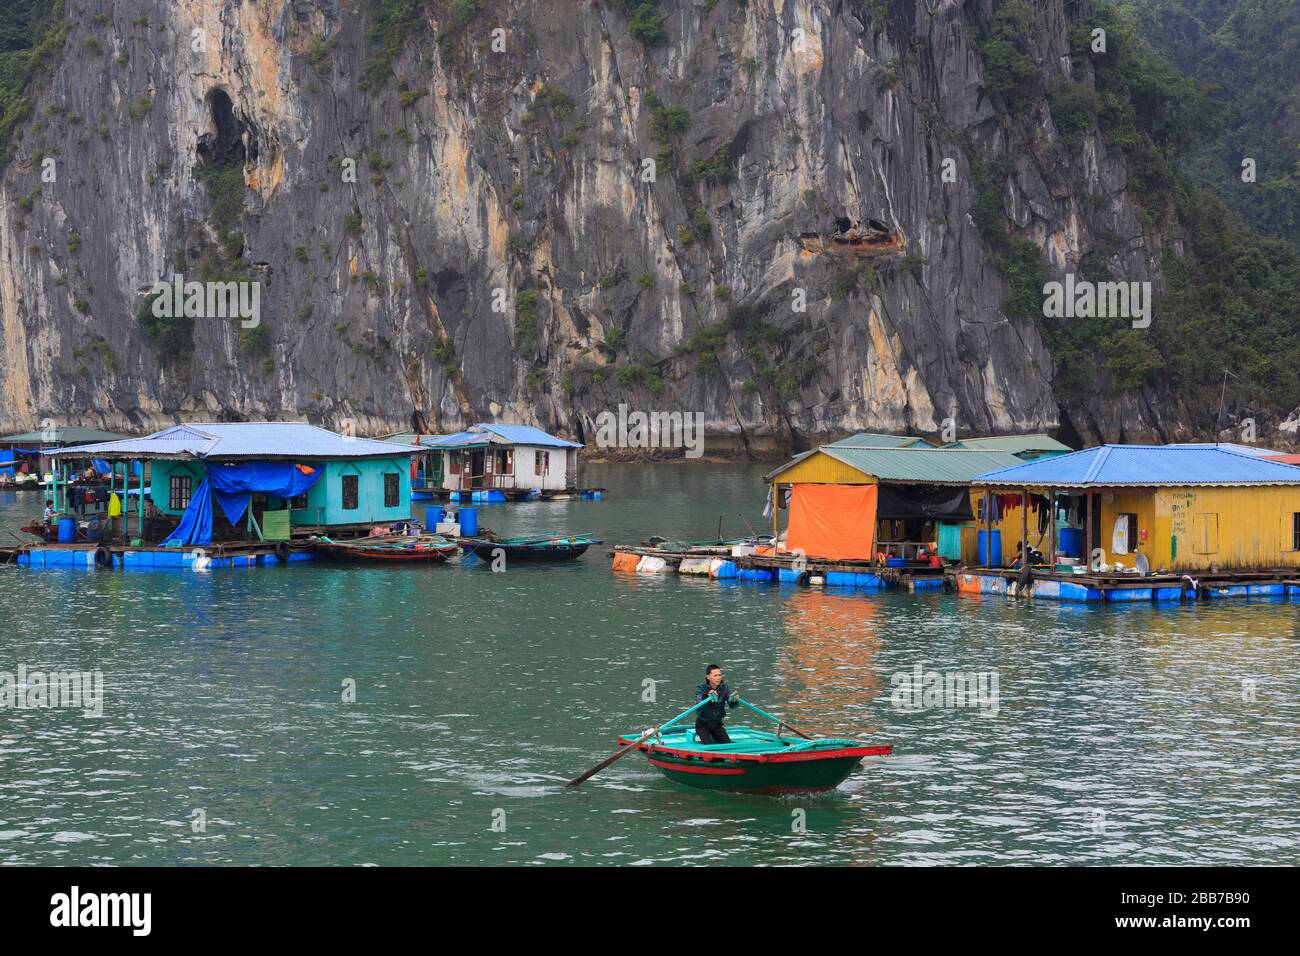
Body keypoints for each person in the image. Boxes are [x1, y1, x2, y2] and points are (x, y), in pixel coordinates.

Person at [694, 664, 739, 745]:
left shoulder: (724, 687)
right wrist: (709, 698)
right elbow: (699, 704)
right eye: (715, 675)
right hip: (703, 725)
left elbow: (732, 705)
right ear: (708, 677)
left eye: (719, 675)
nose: (718, 678)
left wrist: (733, 700)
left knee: (728, 745)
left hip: (717, 724)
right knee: (709, 747)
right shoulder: (700, 688)